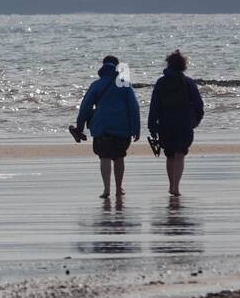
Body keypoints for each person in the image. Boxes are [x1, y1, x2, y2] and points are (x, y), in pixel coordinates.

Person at [73, 55, 141, 199]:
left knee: (104, 157)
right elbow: (134, 108)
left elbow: (85, 107)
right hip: (122, 129)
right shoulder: (124, 84)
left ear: (103, 67)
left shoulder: (96, 85)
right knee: (119, 157)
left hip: (101, 128)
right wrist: (136, 128)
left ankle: (106, 189)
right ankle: (118, 188)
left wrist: (79, 127)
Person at [147, 50, 205, 197]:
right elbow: (199, 105)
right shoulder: (188, 82)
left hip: (166, 123)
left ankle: (171, 185)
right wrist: (195, 121)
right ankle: (176, 187)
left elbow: (154, 105)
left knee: (170, 155)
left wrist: (152, 125)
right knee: (180, 154)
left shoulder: (161, 82)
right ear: (183, 66)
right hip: (184, 123)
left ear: (168, 64)